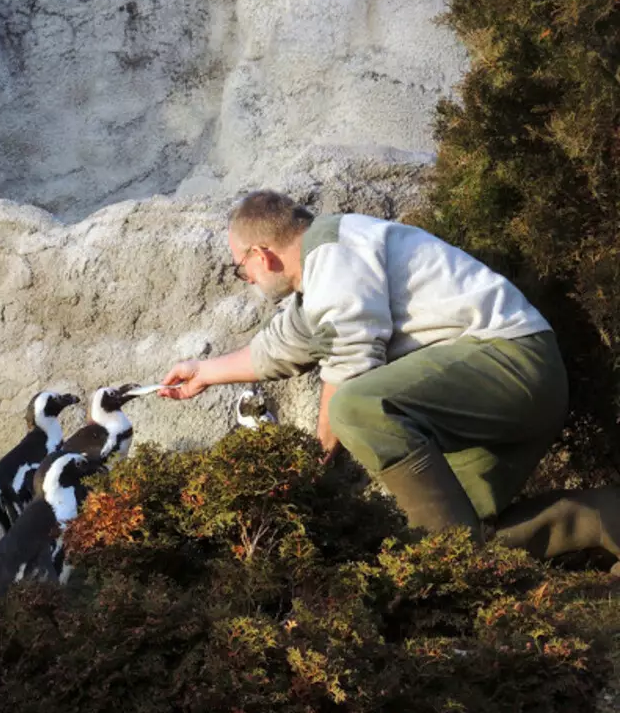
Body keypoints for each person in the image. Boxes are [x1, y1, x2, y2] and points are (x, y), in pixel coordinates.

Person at [159, 190, 620, 563]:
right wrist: (204, 372)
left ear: (262, 255)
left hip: (515, 365)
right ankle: (603, 517)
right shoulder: (321, 280)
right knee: (459, 531)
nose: (249, 281)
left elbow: (351, 361)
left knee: (354, 406)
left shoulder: (335, 252)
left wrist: (317, 462)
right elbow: (279, 346)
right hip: (502, 388)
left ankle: (452, 580)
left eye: (242, 270)